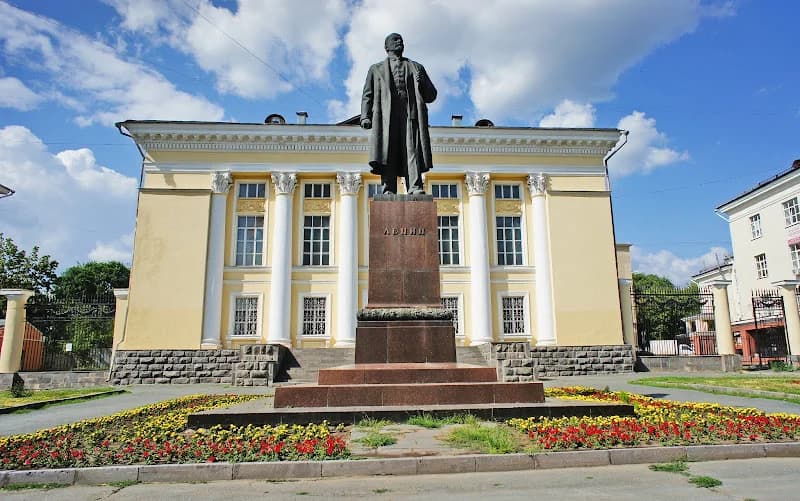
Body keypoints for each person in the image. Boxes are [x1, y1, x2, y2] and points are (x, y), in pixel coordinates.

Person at [360, 33, 437, 194]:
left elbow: (431, 96)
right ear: (386, 47)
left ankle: (415, 187)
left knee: (412, 150)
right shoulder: (376, 69)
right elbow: (368, 94)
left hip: (411, 115)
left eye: (401, 39)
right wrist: (365, 116)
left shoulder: (416, 67)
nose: (400, 41)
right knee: (388, 151)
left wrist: (422, 81)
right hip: (386, 117)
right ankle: (388, 189)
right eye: (395, 40)